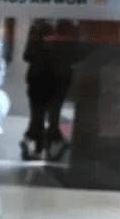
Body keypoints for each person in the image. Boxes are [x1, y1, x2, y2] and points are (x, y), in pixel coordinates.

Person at [22, 19, 78, 160]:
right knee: (51, 116)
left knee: (38, 116)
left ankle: (38, 145)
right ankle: (45, 145)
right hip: (56, 82)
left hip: (40, 81)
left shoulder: (38, 33)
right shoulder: (65, 34)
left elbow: (27, 56)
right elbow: (75, 57)